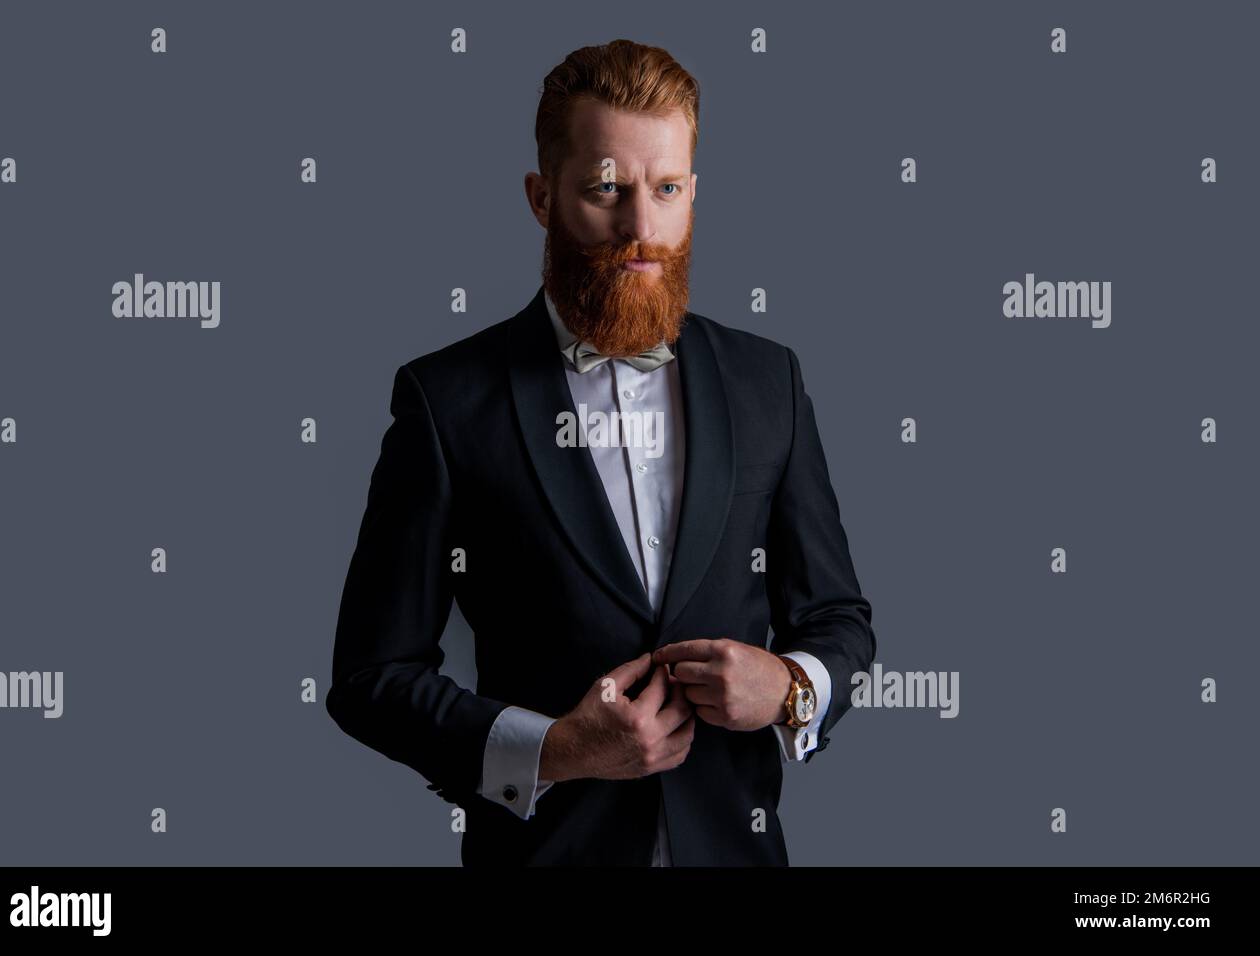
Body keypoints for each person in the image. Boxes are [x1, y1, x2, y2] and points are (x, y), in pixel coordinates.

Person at [326, 38, 876, 866]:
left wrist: (793, 688)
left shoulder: (772, 381)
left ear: (694, 193)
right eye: (606, 190)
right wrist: (554, 751)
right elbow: (372, 678)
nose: (640, 230)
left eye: (666, 190)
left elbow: (839, 620)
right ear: (543, 198)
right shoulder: (444, 401)